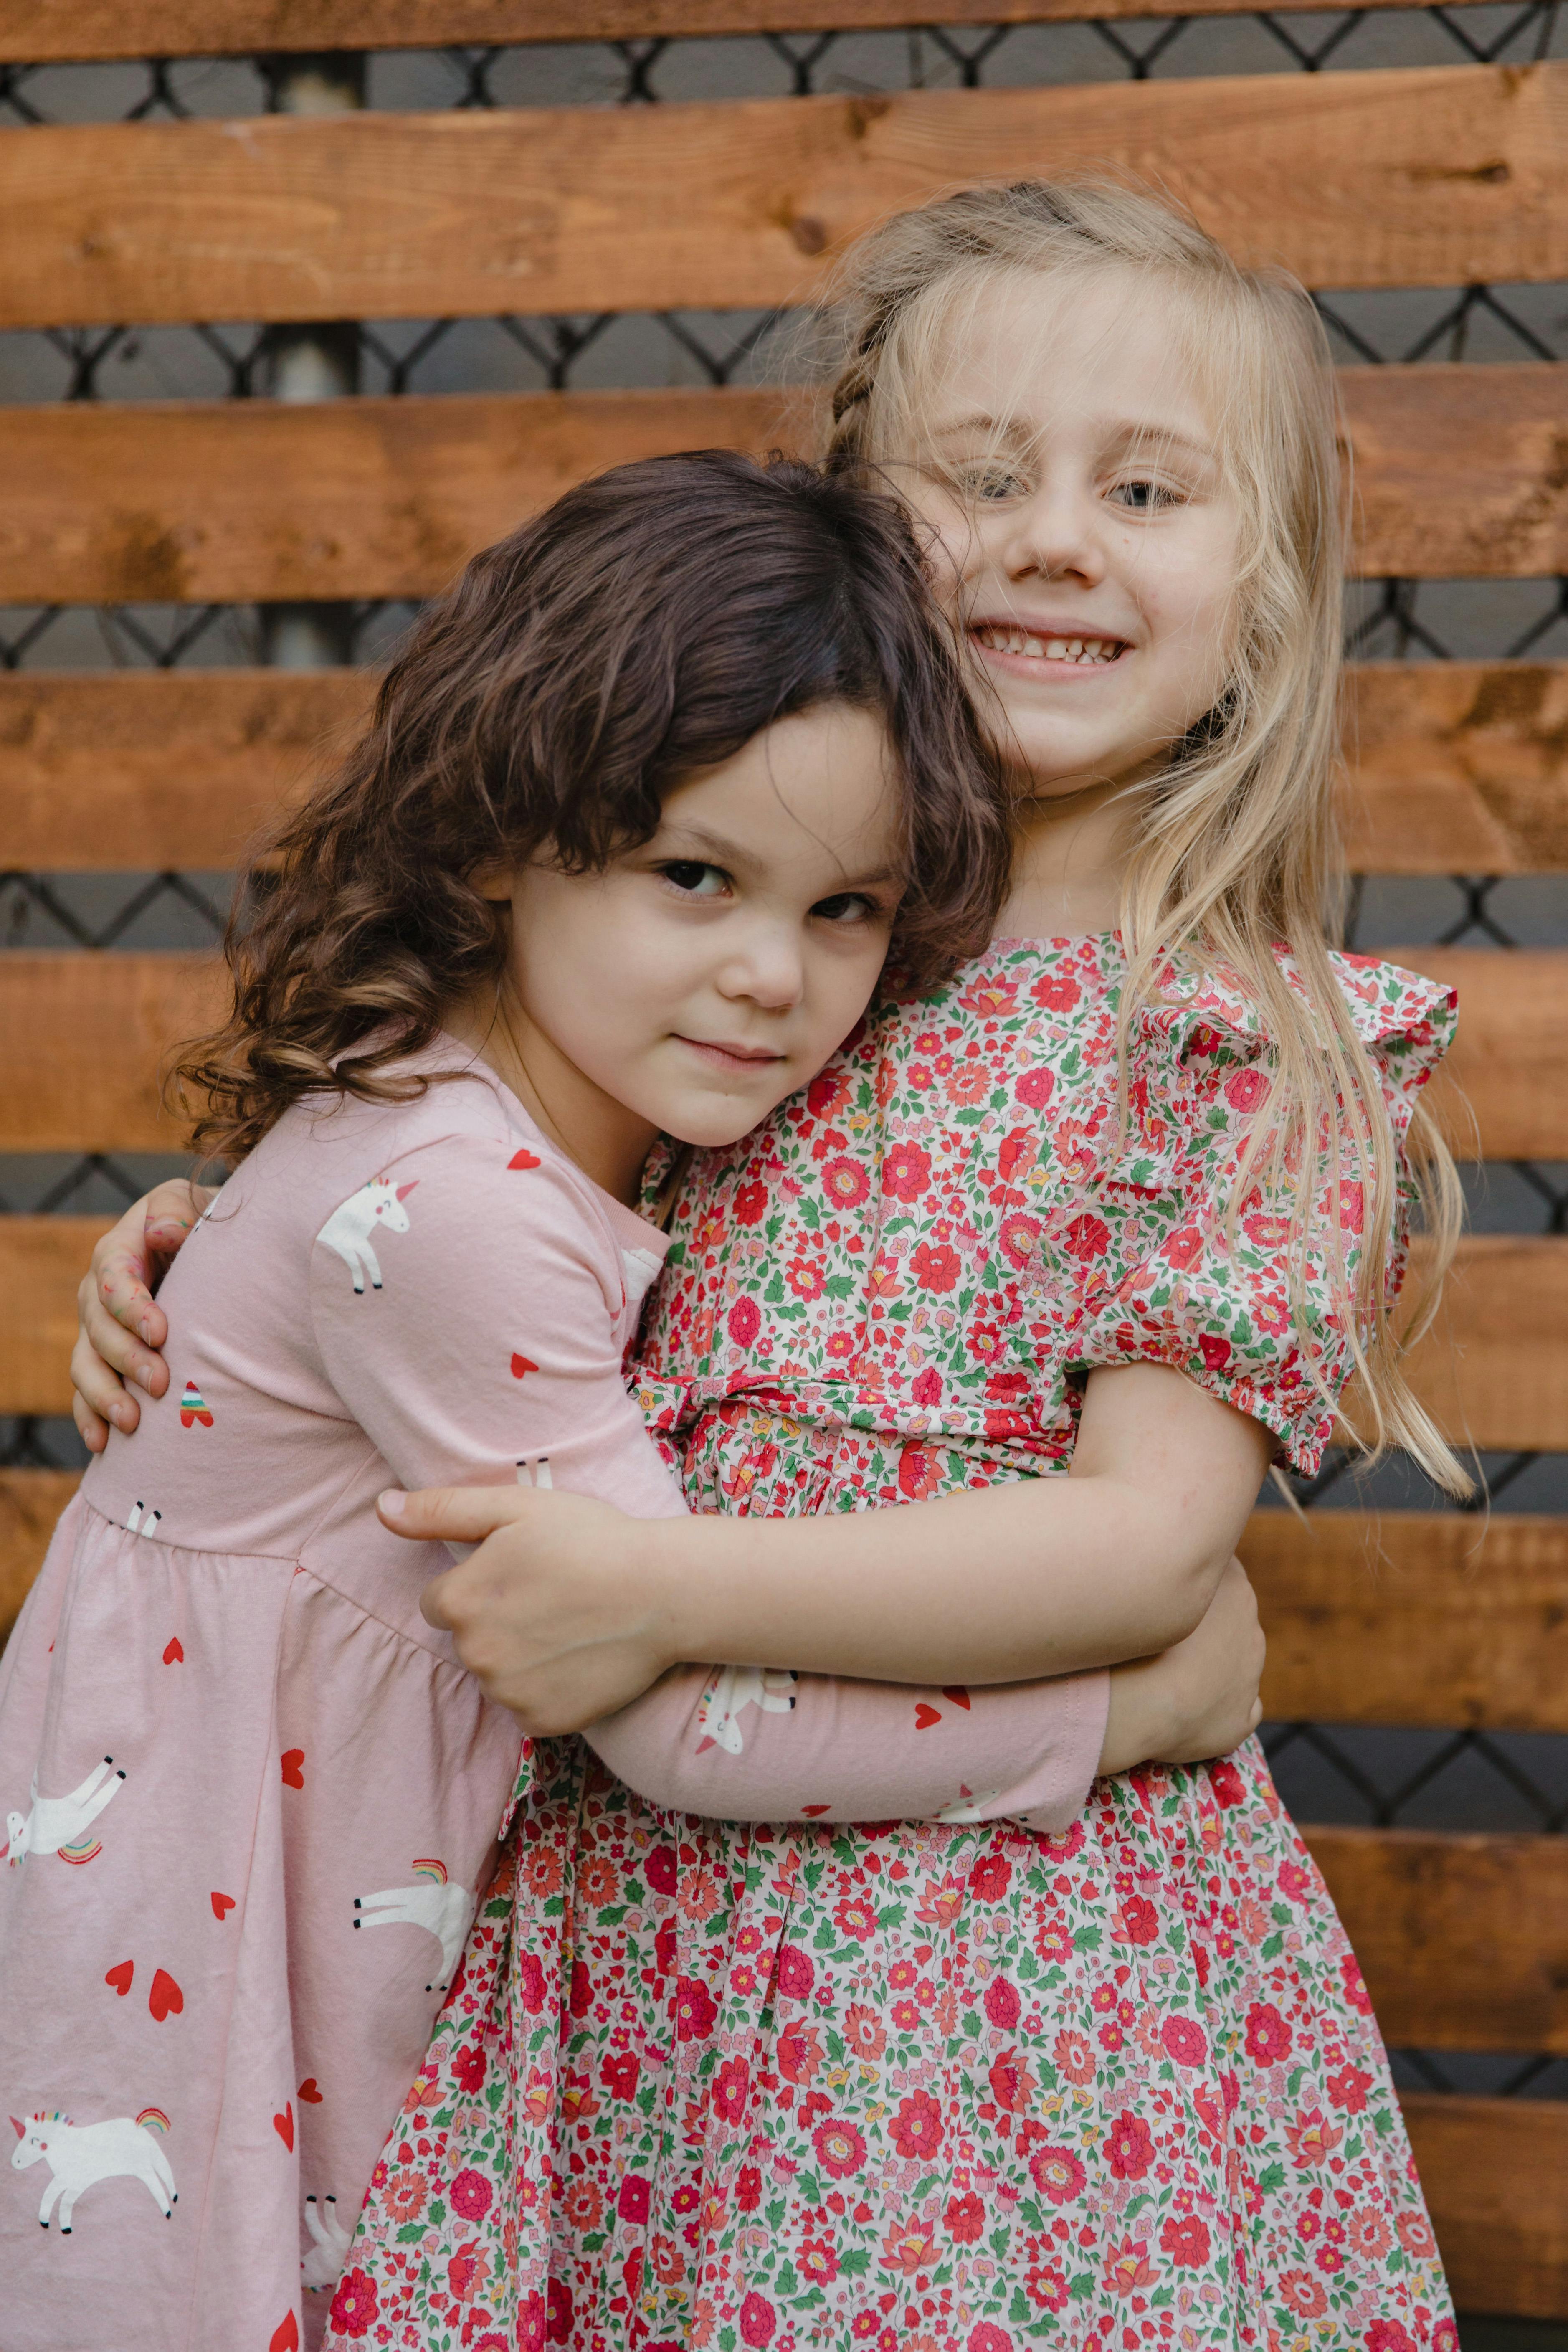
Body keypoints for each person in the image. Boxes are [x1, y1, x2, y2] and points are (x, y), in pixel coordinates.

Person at [68, 182, 1463, 2350]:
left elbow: (1139, 1549)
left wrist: (674, 1595)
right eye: (976, 476)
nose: (1048, 536)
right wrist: (221, 1268)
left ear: (1267, 602)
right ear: (846, 539)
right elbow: (463, 1211)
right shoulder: (768, 959)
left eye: (1143, 487)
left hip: (1006, 2007)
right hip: (633, 1970)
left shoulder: (1221, 1046)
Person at [13, 449, 1213, 2352]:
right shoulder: (458, 1206)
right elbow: (676, 1728)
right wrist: (1123, 1712)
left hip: (316, 1905)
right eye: (693, 876)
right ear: (504, 838)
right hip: (207, 1950)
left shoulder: (566, 1125)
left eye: (844, 912)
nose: (770, 980)